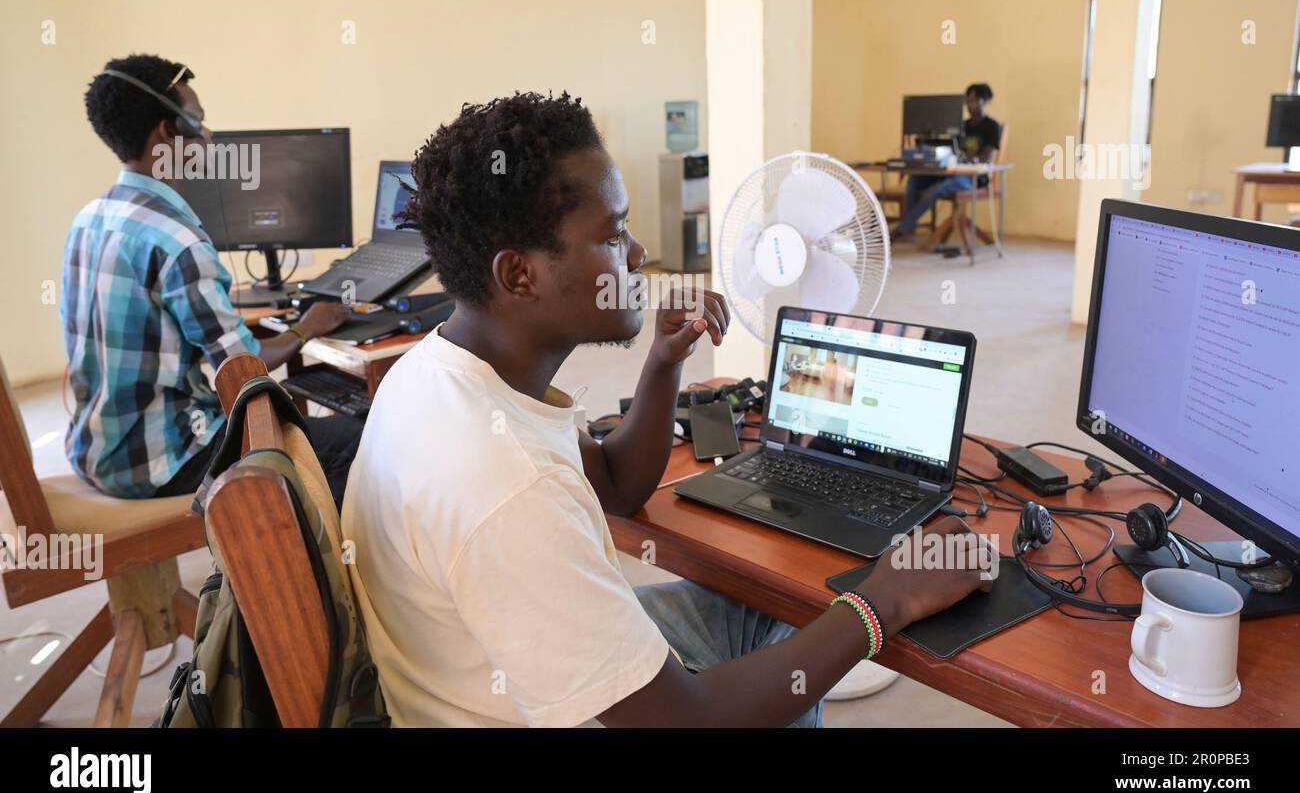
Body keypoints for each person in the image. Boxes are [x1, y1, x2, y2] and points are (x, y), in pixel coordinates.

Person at [341, 91, 991, 727]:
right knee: (817, 634)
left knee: (782, 614)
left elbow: (618, 488)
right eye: (614, 232)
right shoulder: (506, 482)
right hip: (528, 709)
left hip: (487, 669)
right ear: (519, 275)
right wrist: (889, 598)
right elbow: (690, 718)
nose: (638, 254)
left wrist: (663, 363)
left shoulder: (440, 371)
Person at [65, 54, 361, 502]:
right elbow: (245, 375)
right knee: (360, 440)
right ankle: (300, 569)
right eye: (198, 121)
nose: (208, 135)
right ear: (168, 131)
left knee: (315, 433)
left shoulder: (90, 218)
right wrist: (309, 326)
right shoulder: (177, 240)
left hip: (96, 451)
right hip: (162, 459)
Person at [892, 83, 1002, 241]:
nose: (969, 105)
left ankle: (903, 228)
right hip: (953, 171)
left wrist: (967, 159)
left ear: (984, 101)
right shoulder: (961, 126)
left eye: (974, 100)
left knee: (937, 189)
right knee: (915, 180)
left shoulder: (992, 127)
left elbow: (986, 158)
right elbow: (952, 151)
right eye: (968, 101)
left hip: (974, 177)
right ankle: (909, 229)